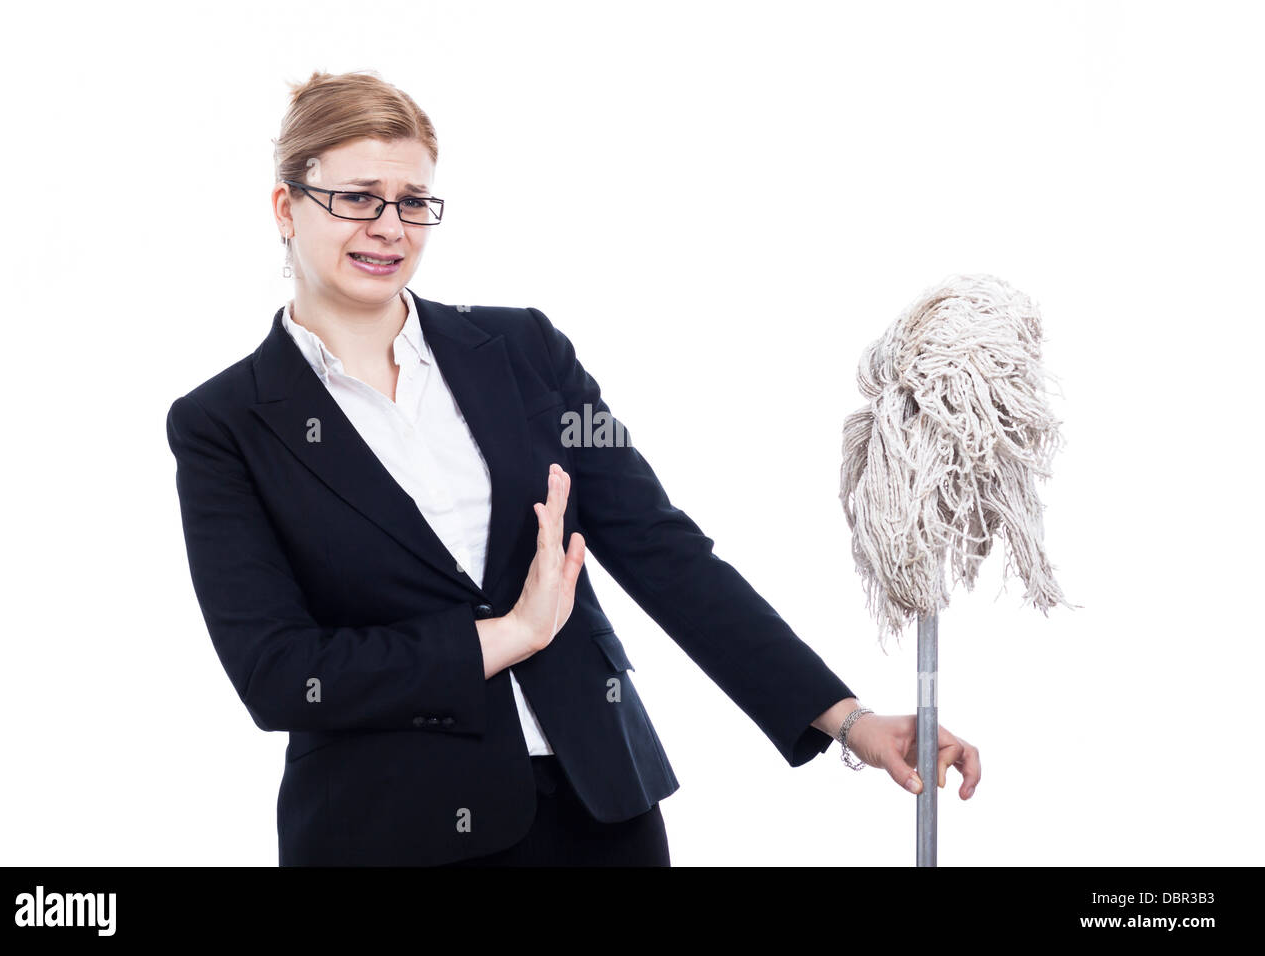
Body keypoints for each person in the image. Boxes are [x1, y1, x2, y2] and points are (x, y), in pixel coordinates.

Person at [165, 69, 980, 867]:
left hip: (599, 813)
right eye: (357, 197)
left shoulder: (523, 352)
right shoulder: (224, 426)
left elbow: (661, 551)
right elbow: (280, 675)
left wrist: (846, 718)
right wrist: (509, 633)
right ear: (286, 206)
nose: (389, 226)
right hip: (386, 828)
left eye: (414, 202)